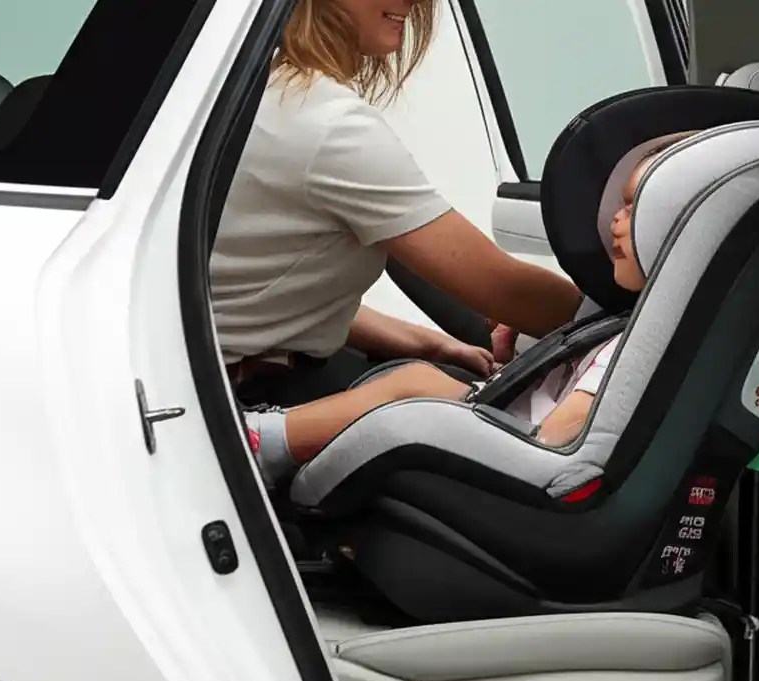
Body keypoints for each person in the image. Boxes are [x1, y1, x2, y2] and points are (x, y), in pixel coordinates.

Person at [209, 0, 583, 408]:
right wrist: (616, 319)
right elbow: (504, 289)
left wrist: (431, 344)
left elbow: (277, 302)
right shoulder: (329, 125)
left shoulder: (274, 89)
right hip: (245, 397)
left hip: (231, 371)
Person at [245, 144, 672, 482]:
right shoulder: (622, 324)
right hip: (507, 422)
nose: (615, 220)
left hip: (512, 447)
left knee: (415, 383)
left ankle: (264, 442)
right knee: (415, 374)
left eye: (634, 209)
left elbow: (556, 437)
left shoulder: (632, 346)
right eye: (620, 205)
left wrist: (485, 416)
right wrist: (516, 365)